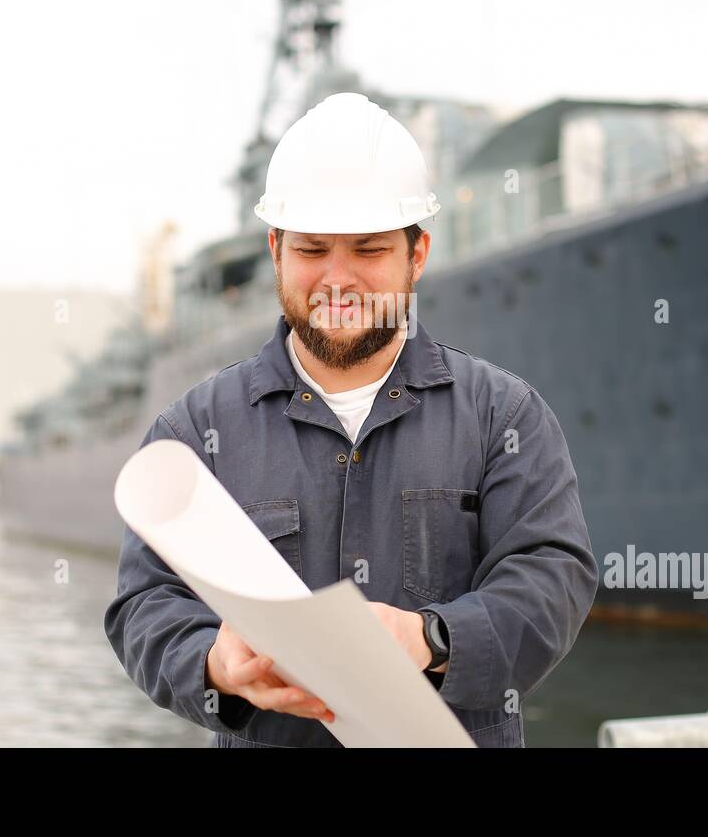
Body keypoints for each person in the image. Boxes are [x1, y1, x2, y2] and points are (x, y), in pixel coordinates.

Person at [105, 91, 598, 747]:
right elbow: (144, 603)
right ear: (276, 251)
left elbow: (552, 578)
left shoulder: (503, 416)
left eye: (367, 250)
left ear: (416, 254)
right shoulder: (194, 434)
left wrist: (432, 639)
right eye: (312, 250)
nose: (338, 279)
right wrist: (212, 663)